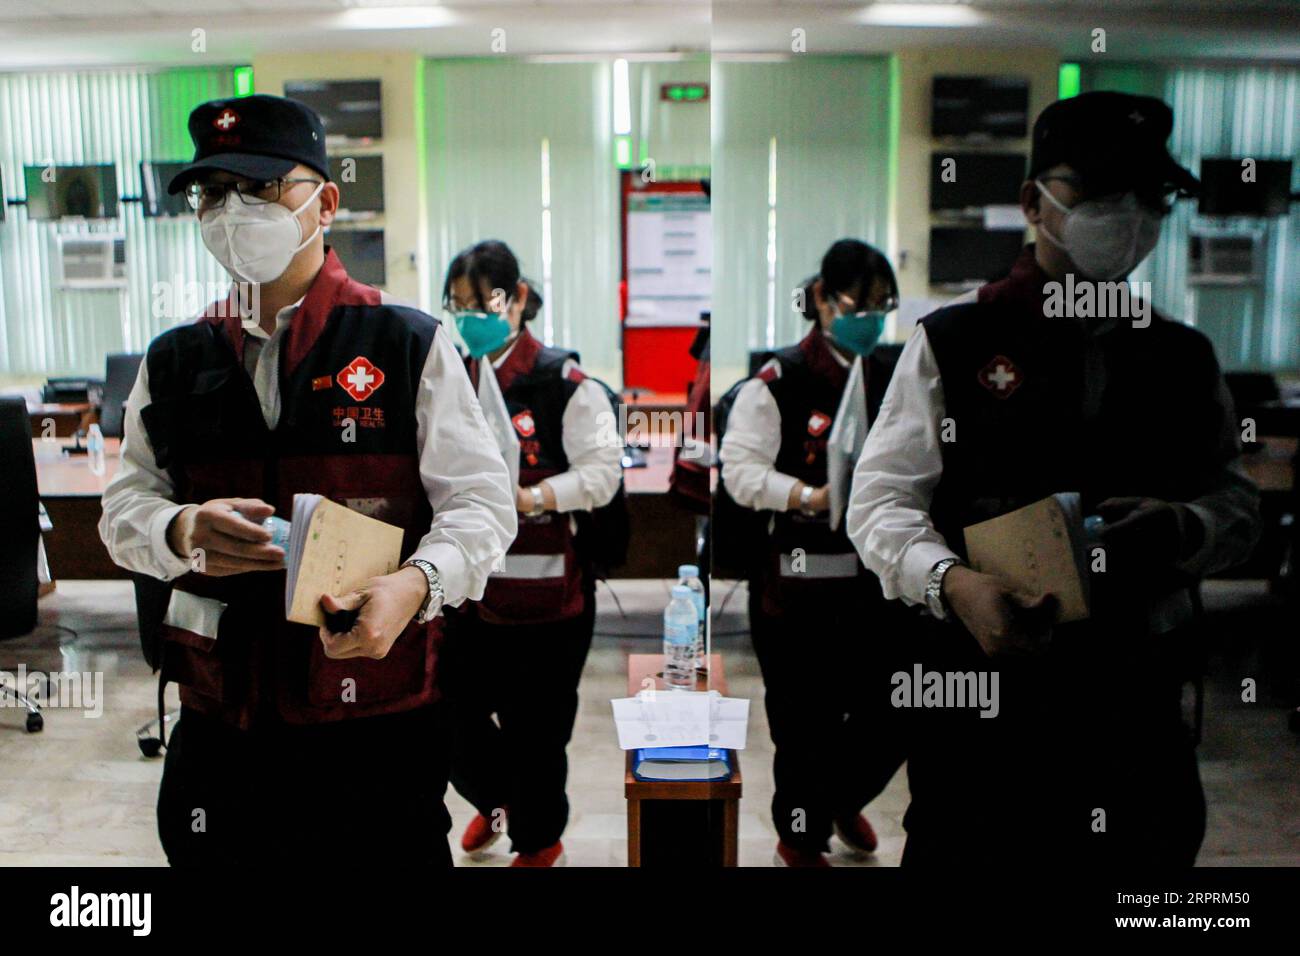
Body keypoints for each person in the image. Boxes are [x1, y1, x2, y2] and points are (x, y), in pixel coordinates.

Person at [98, 94, 516, 867]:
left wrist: (418, 584)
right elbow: (125, 506)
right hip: (221, 730)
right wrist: (180, 531)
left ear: (325, 201)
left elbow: (483, 506)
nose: (231, 211)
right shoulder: (176, 359)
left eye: (259, 189)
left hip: (374, 727)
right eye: (212, 192)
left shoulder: (407, 343)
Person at [847, 91, 1261, 867]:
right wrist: (950, 583)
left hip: (1134, 709)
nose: (1130, 213)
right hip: (987, 704)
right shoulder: (953, 341)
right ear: (1034, 202)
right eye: (1102, 192)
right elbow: (880, 505)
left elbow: (1235, 502)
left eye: (1150, 195)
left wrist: (1186, 527)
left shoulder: (1180, 356)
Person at [719, 239, 910, 867]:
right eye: (860, 302)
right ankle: (800, 838)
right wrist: (808, 495)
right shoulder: (777, 381)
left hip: (878, 581)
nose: (872, 316)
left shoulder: (895, 373)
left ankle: (837, 796)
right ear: (823, 301)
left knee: (891, 709)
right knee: (802, 724)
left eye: (884, 304)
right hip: (795, 583)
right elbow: (742, 474)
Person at [437, 240, 623, 867]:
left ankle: (539, 842)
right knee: (448, 715)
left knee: (538, 732)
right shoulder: (449, 377)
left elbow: (602, 475)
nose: (470, 317)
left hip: (551, 598)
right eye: (457, 306)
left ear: (517, 299)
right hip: (466, 594)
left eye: (482, 302)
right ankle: (499, 802)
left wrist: (532, 496)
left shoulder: (565, 383)